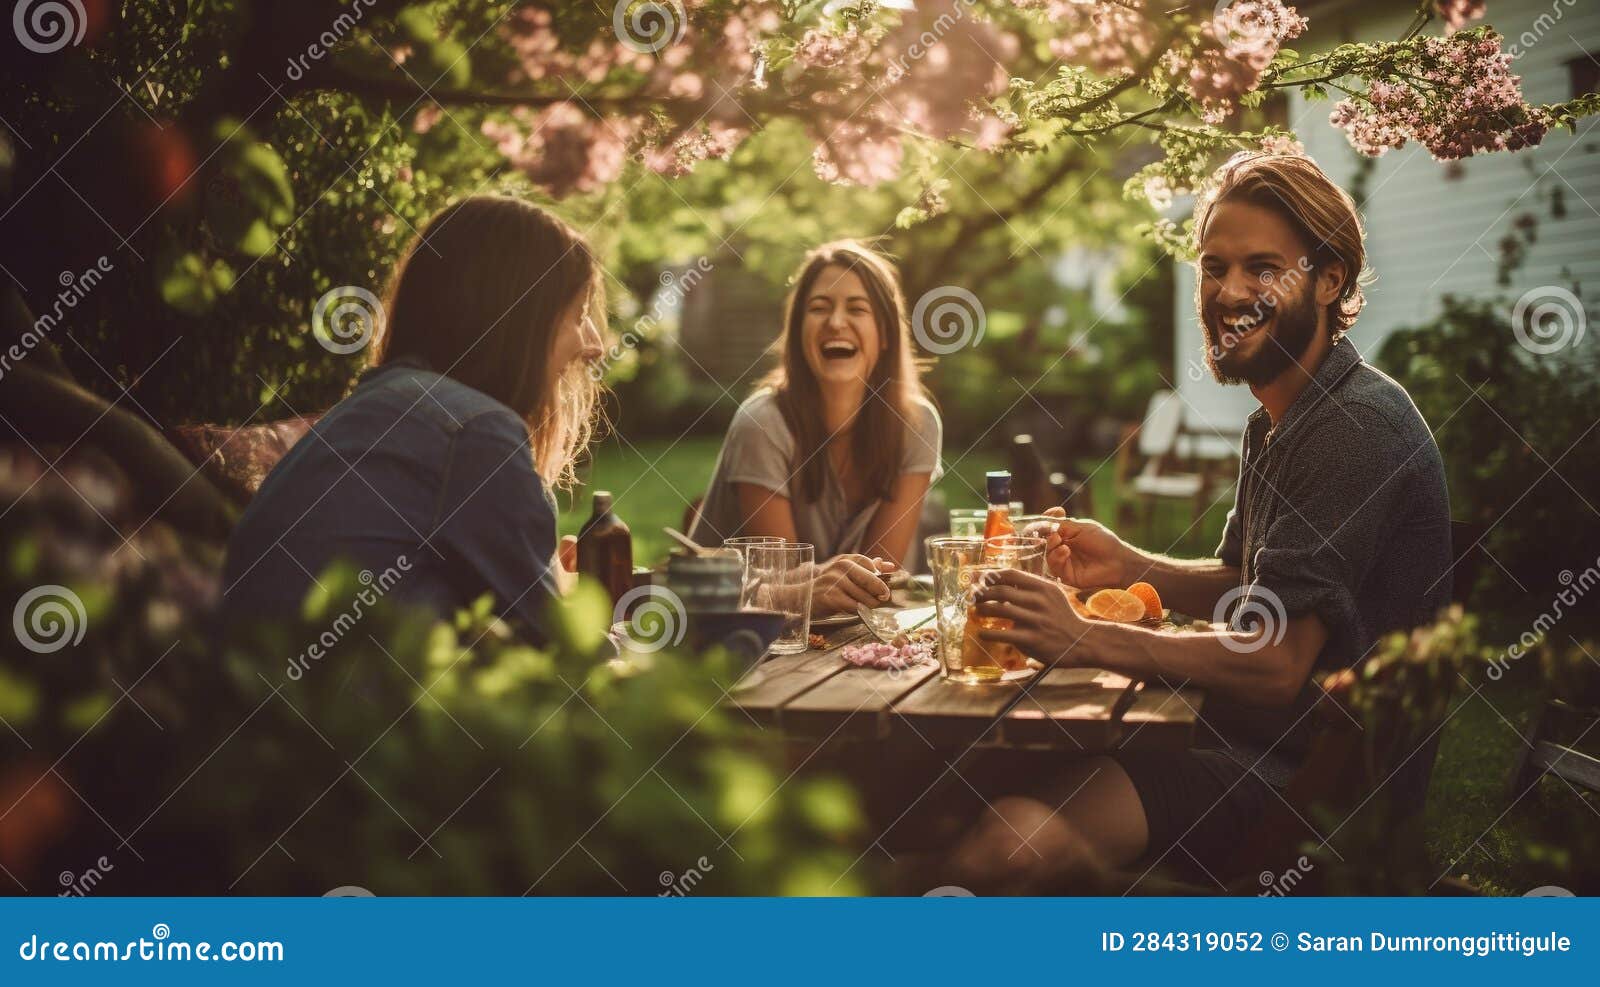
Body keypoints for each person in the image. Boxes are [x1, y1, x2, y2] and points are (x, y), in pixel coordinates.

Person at [952, 151, 1452, 890]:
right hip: (1246, 739)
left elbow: (1277, 663)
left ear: (1330, 278)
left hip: (1314, 792)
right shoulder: (1282, 417)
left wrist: (1084, 634)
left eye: (1262, 268)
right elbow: (1244, 583)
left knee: (1005, 845)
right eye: (1214, 267)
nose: (1230, 291)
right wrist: (1129, 566)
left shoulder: (1353, 426)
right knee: (974, 780)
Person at [222, 196, 605, 641]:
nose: (593, 343)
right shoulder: (473, 432)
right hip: (342, 704)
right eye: (577, 315)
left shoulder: (393, 409)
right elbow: (557, 651)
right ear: (515, 318)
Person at [689, 240, 942, 613]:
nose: (836, 322)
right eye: (819, 308)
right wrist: (827, 584)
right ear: (798, 331)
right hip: (739, 638)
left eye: (857, 308)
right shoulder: (762, 423)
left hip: (840, 640)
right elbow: (782, 586)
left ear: (885, 333)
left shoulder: (917, 425)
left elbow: (877, 583)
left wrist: (840, 586)